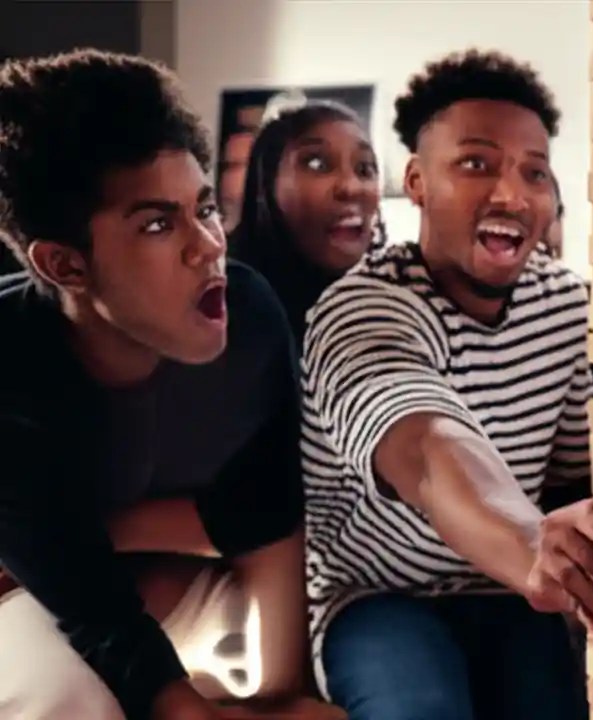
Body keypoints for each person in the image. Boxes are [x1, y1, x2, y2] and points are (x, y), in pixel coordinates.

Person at [301, 49, 593, 720]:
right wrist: (533, 545)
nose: (512, 196)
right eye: (476, 164)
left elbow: (571, 480)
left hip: (509, 594)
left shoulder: (566, 307)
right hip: (379, 597)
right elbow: (427, 451)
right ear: (416, 181)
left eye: (535, 172)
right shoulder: (363, 309)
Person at [0, 50, 339, 719]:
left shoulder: (249, 315)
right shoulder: (13, 366)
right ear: (65, 265)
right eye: (158, 223)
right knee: (65, 696)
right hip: (42, 597)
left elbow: (270, 511)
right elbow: (86, 599)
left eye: (204, 208)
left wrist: (286, 694)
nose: (209, 244)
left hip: (190, 575)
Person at [230, 99, 384, 346]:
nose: (351, 187)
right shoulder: (223, 309)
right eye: (317, 164)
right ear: (267, 183)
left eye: (364, 169)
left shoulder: (393, 309)